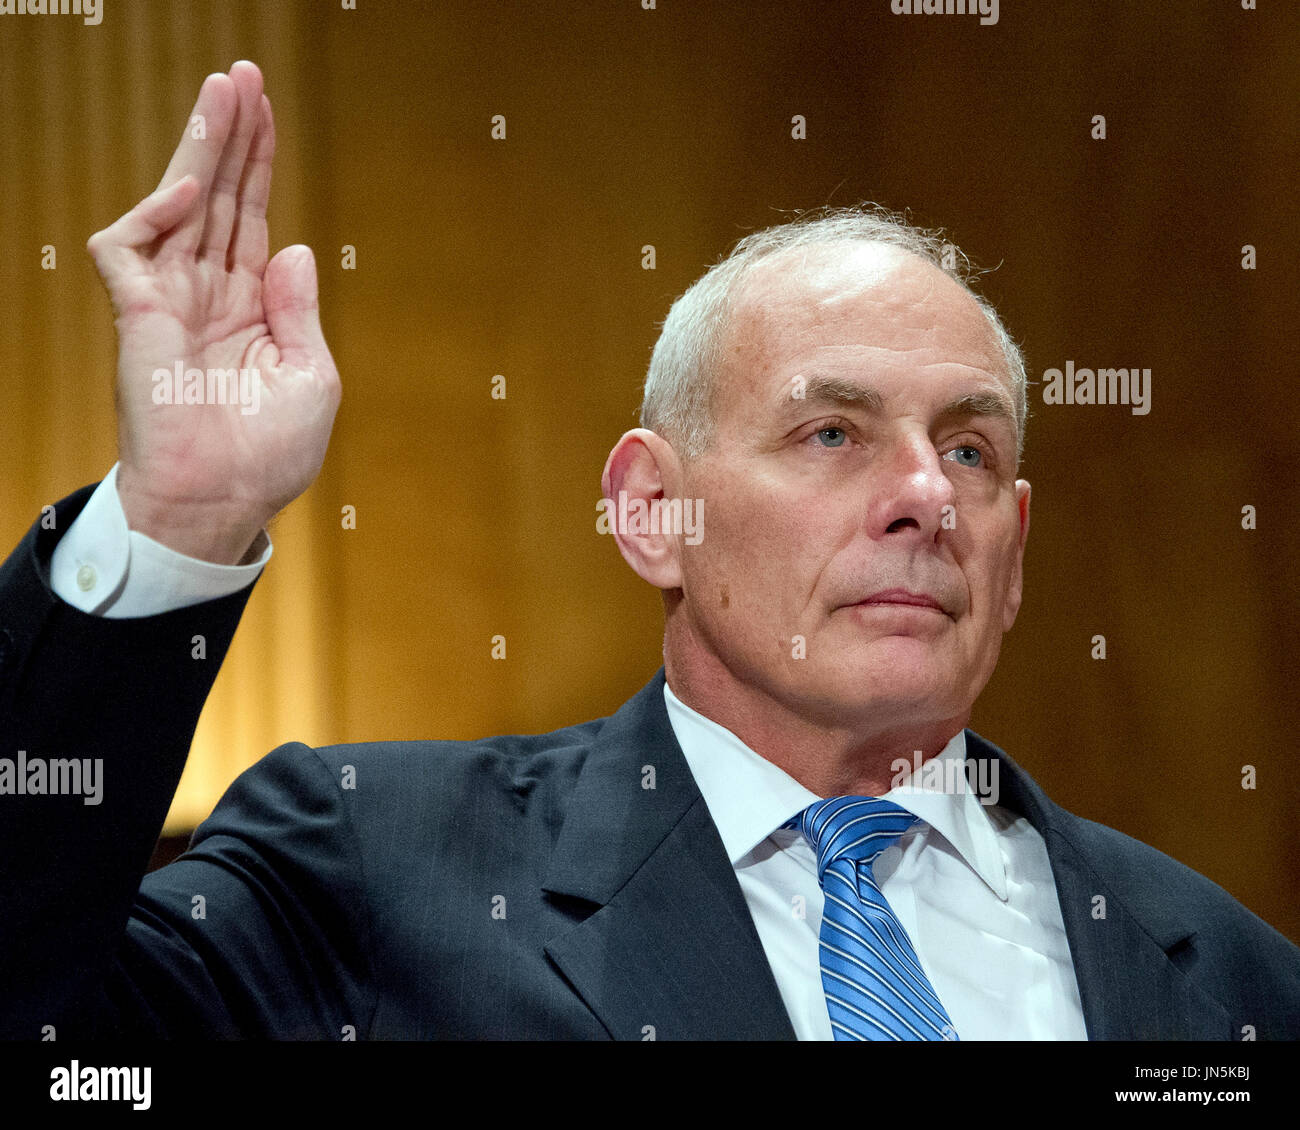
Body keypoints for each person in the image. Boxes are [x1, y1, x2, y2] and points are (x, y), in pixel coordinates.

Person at [3, 60, 1297, 1041]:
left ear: (1016, 547)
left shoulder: (1233, 978)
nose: (923, 493)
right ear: (648, 509)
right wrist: (175, 524)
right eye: (833, 430)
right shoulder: (370, 872)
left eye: (970, 450)